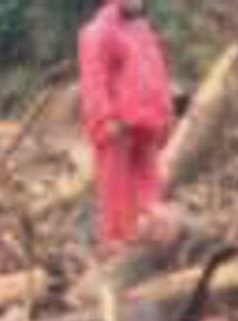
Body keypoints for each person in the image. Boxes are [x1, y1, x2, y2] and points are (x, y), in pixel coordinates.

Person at [75, 0, 173, 250]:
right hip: (118, 127)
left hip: (146, 125)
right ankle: (116, 249)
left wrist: (164, 114)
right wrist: (104, 119)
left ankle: (149, 248)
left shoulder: (142, 31)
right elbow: (93, 80)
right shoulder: (98, 31)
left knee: (150, 193)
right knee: (114, 197)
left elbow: (157, 74)